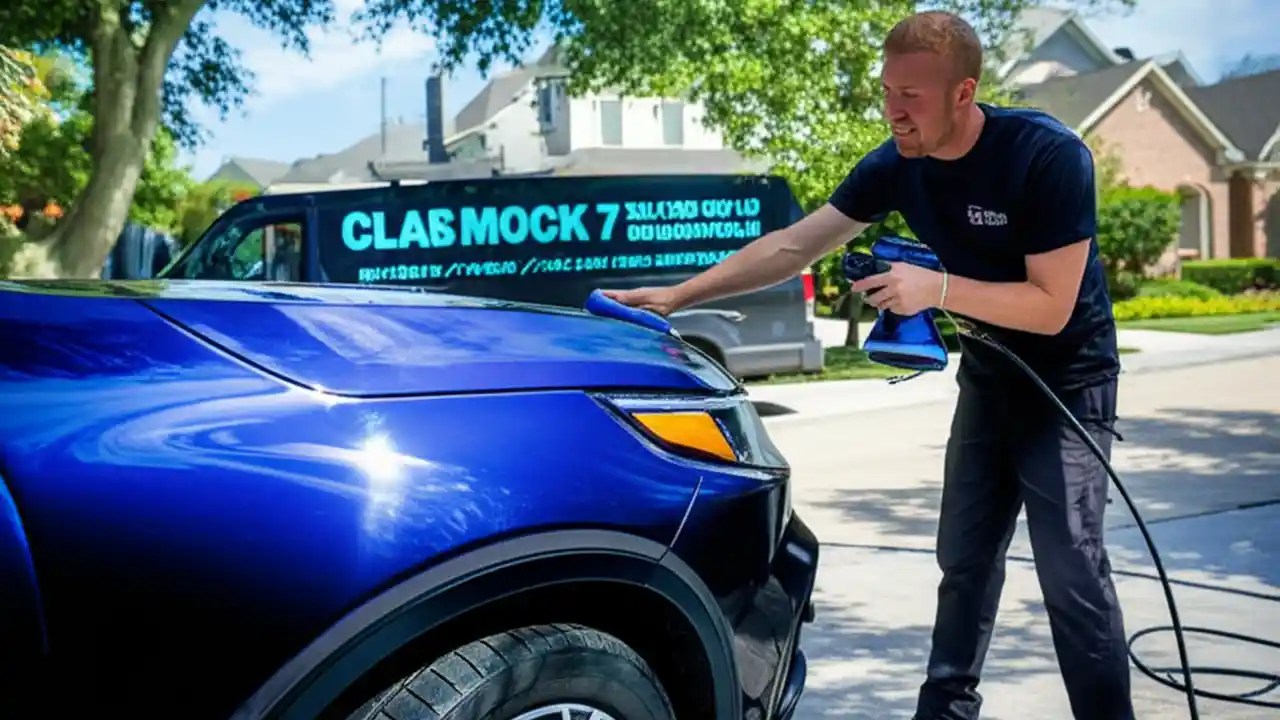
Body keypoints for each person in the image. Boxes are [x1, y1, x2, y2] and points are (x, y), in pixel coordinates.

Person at [602, 9, 1134, 720]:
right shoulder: (895, 164)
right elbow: (794, 246)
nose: (893, 111)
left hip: (1070, 383)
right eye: (886, 92)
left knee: (1070, 567)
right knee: (963, 559)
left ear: (963, 94)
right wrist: (678, 294)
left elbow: (1051, 306)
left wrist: (937, 289)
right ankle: (943, 712)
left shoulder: (1045, 156)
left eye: (909, 97)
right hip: (989, 376)